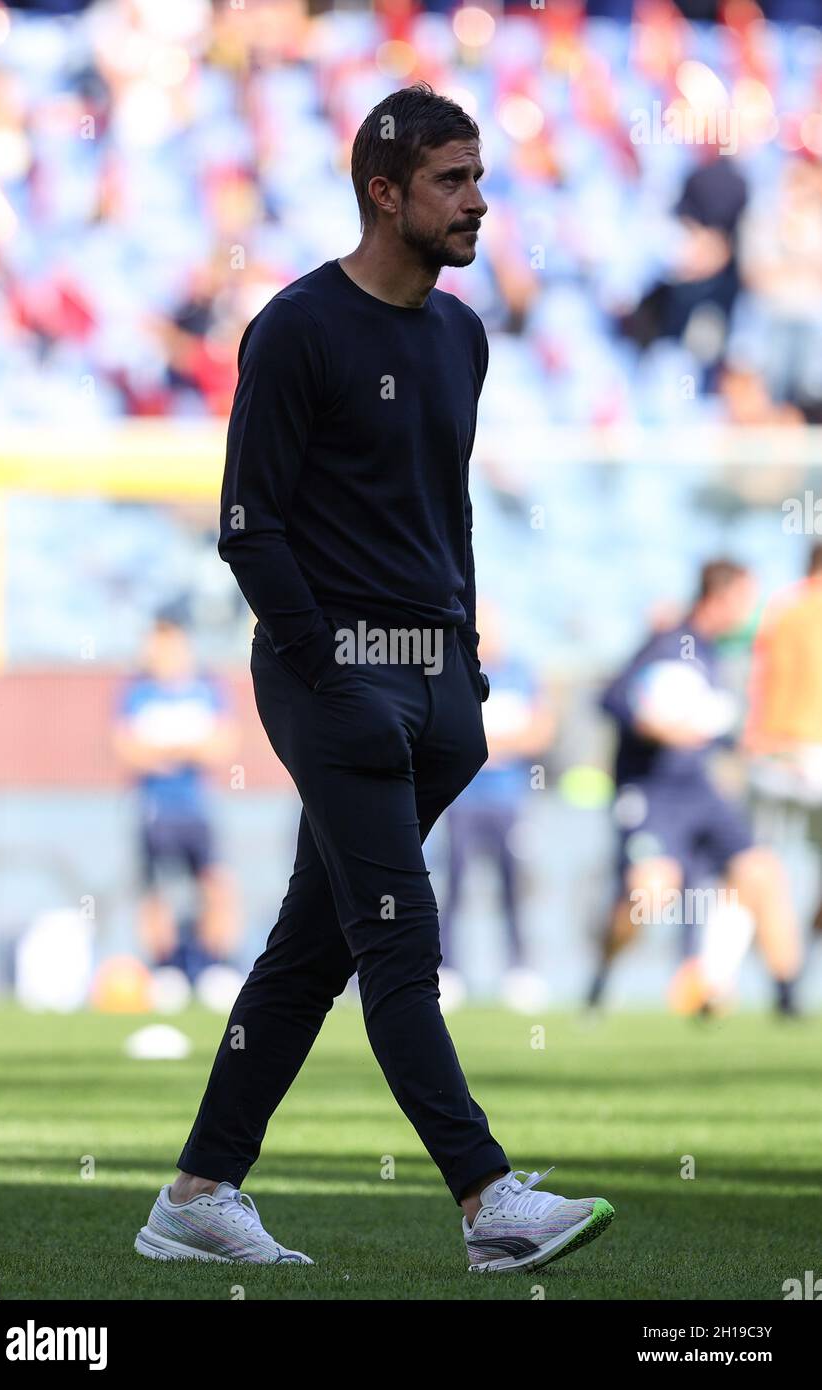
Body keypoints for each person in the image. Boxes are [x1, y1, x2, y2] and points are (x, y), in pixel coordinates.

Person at [135, 83, 614, 1273]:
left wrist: (464, 659)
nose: (478, 202)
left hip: (438, 686)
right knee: (401, 936)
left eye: (479, 177)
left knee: (315, 945)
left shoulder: (462, 334)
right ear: (382, 191)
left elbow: (441, 509)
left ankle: (198, 1190)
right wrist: (326, 671)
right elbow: (249, 527)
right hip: (333, 677)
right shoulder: (295, 326)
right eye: (452, 181)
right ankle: (486, 1199)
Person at [588, 561, 802, 1016]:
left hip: (698, 789)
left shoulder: (710, 652)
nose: (751, 612)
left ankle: (787, 1003)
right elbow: (612, 700)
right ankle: (601, 978)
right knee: (651, 894)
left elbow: (708, 726)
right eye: (746, 601)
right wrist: (656, 727)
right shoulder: (669, 642)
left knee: (762, 872)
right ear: (721, 598)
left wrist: (756, 744)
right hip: (650, 791)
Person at [441, 598, 555, 1011]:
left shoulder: (521, 672)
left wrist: (490, 744)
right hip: (461, 799)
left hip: (509, 801)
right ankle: (447, 969)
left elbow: (540, 731)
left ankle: (520, 971)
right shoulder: (455, 669)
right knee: (455, 885)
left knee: (515, 885)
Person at [113, 610, 239, 980]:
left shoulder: (206, 688)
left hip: (197, 807)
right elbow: (127, 749)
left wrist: (165, 750)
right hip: (153, 809)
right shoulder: (136, 692)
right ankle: (164, 968)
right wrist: (184, 748)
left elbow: (222, 744)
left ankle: (215, 965)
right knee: (155, 889)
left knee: (215, 883)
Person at [744, 542, 822, 938]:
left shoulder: (777, 608)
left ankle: (714, 974)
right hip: (809, 752)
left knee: (752, 863)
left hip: (770, 751)